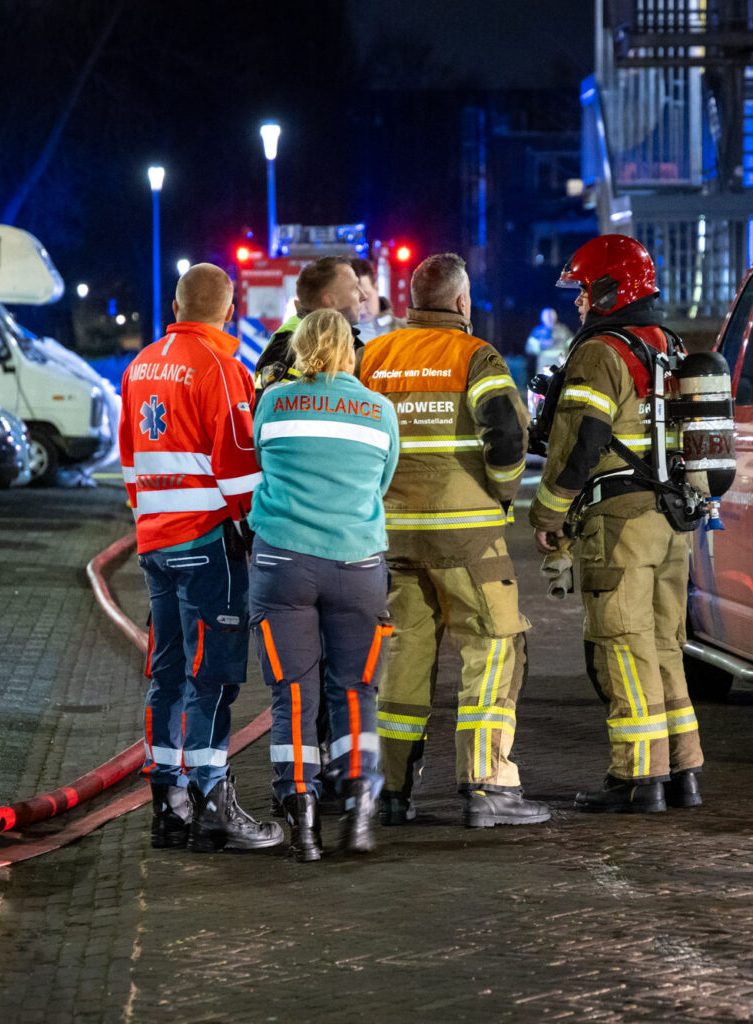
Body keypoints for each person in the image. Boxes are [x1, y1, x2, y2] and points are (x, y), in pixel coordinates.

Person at [358, 252, 550, 829]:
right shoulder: (475, 355)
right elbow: (507, 432)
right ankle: (487, 786)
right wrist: (504, 491)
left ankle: (389, 791)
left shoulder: (374, 355)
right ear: (462, 302)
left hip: (390, 534)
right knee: (492, 647)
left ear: (413, 301)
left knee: (404, 655)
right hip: (466, 538)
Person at [529, 234, 704, 814]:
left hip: (619, 523)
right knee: (663, 645)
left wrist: (550, 511)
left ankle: (637, 779)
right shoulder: (667, 344)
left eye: (582, 290)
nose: (578, 302)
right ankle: (684, 773)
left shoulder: (600, 352)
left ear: (609, 287)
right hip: (674, 520)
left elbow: (581, 442)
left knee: (622, 647)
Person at [118, 262, 283, 854]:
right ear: (230, 307)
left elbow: (131, 461)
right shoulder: (221, 366)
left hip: (155, 542)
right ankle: (213, 799)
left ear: (176, 303)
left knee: (166, 674)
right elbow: (238, 467)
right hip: (208, 543)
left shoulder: (140, 365)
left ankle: (168, 803)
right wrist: (252, 527)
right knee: (210, 678)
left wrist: (151, 520)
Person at [248, 309, 400, 861]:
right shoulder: (379, 411)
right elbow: (382, 483)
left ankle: (302, 819)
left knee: (292, 693)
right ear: (350, 351)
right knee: (355, 689)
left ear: (298, 349)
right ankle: (360, 811)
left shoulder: (272, 403)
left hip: (283, 562)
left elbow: (262, 459)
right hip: (357, 566)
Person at [253, 255, 366, 390]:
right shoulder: (287, 348)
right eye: (354, 288)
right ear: (329, 300)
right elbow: (276, 406)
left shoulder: (348, 342)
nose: (363, 296)